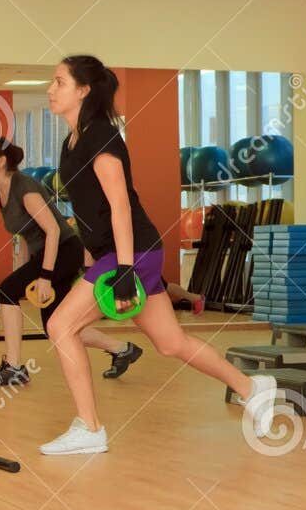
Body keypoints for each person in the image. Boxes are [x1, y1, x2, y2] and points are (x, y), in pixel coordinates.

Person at [39, 54, 277, 454]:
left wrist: (124, 270)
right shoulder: (72, 141)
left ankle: (90, 428)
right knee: (171, 343)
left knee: (61, 326)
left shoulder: (101, 136)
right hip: (122, 254)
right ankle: (252, 387)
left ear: (83, 91)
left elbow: (119, 206)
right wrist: (92, 260)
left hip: (131, 253)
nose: (51, 89)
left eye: (59, 82)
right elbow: (89, 211)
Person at [0, 137, 143, 387]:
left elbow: (52, 230)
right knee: (55, 325)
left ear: (1, 161)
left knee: (7, 291)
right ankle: (122, 349)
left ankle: (14, 367)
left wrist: (44, 276)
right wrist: (23, 272)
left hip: (63, 251)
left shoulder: (24, 186)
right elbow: (24, 234)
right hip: (47, 255)